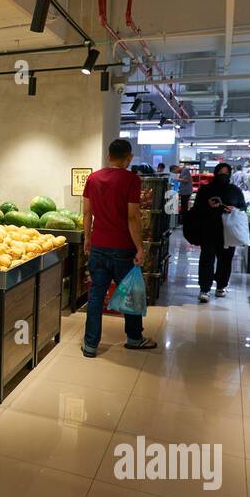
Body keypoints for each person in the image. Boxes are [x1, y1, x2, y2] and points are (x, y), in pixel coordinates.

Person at [81, 138, 156, 357]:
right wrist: (140, 248)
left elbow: (87, 213)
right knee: (131, 293)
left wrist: (88, 238)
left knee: (95, 297)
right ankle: (134, 338)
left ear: (108, 156)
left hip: (98, 246)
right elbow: (133, 217)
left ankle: (90, 344)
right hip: (123, 248)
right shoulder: (131, 180)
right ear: (129, 157)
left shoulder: (93, 178)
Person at [191, 161, 246, 302]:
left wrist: (233, 209)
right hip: (208, 229)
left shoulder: (235, 190)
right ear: (216, 173)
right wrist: (207, 205)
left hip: (228, 231)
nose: (224, 176)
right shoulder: (205, 190)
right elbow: (196, 209)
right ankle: (205, 288)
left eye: (226, 174)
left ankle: (221, 286)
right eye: (221, 173)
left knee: (226, 260)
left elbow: (243, 208)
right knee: (207, 259)